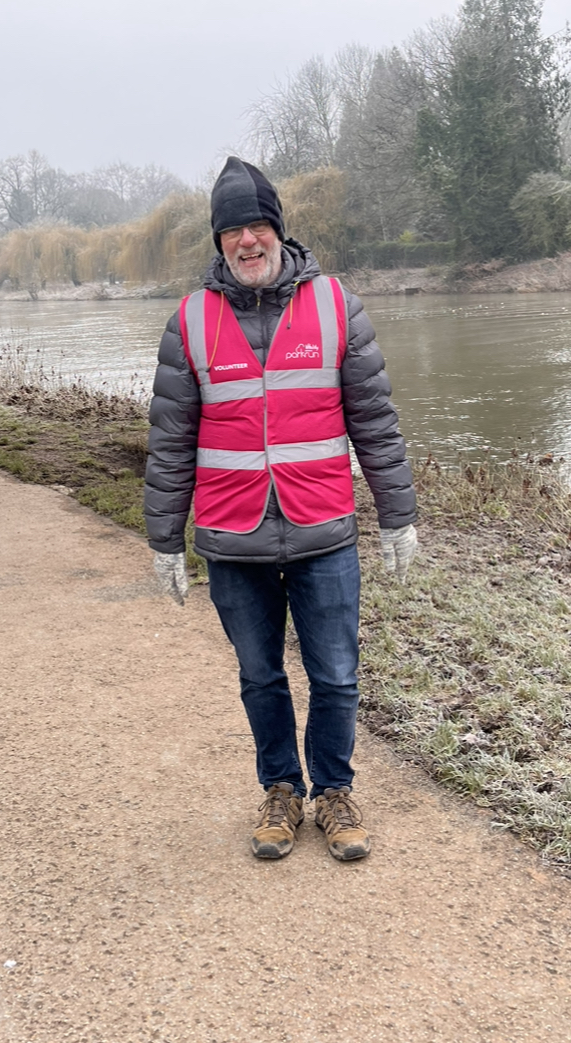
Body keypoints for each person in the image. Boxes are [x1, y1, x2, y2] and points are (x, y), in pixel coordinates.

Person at [145, 157, 417, 862]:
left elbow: (375, 421)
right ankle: (280, 790)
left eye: (257, 225)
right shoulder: (190, 321)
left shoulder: (334, 305)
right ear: (218, 243)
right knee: (259, 674)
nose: (247, 241)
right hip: (233, 538)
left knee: (335, 673)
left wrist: (397, 513)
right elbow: (170, 441)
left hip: (321, 527)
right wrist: (164, 539)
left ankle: (333, 792)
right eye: (232, 230)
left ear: (279, 231)